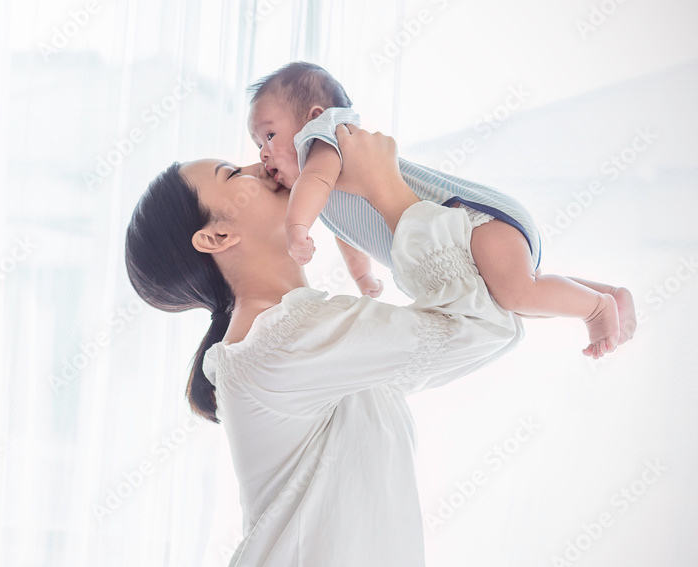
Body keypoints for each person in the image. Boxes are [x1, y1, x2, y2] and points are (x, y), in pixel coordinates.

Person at [125, 124, 523, 566]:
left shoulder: (291, 337)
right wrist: (385, 191)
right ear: (217, 237)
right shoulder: (285, 340)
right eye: (234, 174)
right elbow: (486, 327)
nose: (262, 166)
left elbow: (482, 325)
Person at [247, 62, 636, 358]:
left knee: (519, 293)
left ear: (314, 116)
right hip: (465, 238)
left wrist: (296, 226)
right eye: (256, 143)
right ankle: (609, 294)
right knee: (514, 298)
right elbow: (347, 232)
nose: (262, 152)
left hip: (472, 221)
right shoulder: (326, 186)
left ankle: (595, 310)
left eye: (268, 134)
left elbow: (314, 182)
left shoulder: (327, 138)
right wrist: (362, 275)